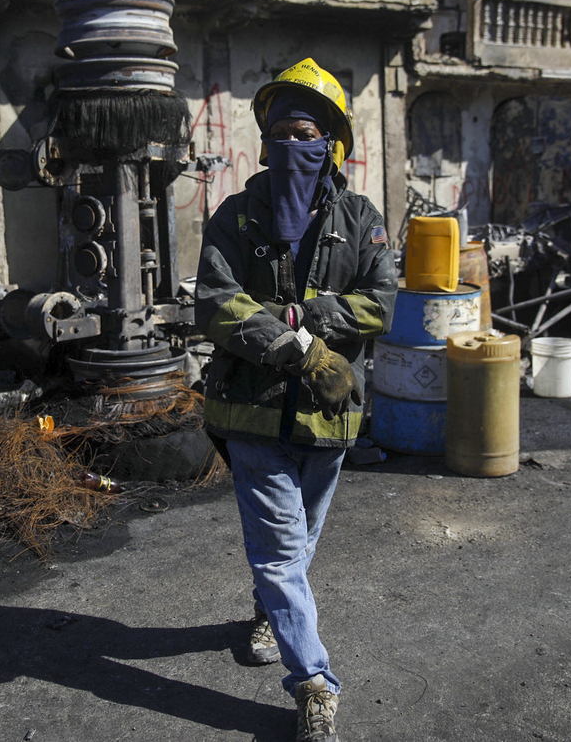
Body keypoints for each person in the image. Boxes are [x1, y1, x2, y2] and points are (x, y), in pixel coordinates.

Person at [195, 58, 396, 742]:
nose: (290, 145)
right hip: (250, 414)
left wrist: (308, 318)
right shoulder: (234, 216)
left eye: (303, 132)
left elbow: (381, 301)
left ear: (330, 143)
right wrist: (297, 347)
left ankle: (266, 609)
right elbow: (218, 305)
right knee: (282, 552)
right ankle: (314, 682)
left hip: (330, 418)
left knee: (295, 546)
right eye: (278, 133)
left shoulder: (361, 218)